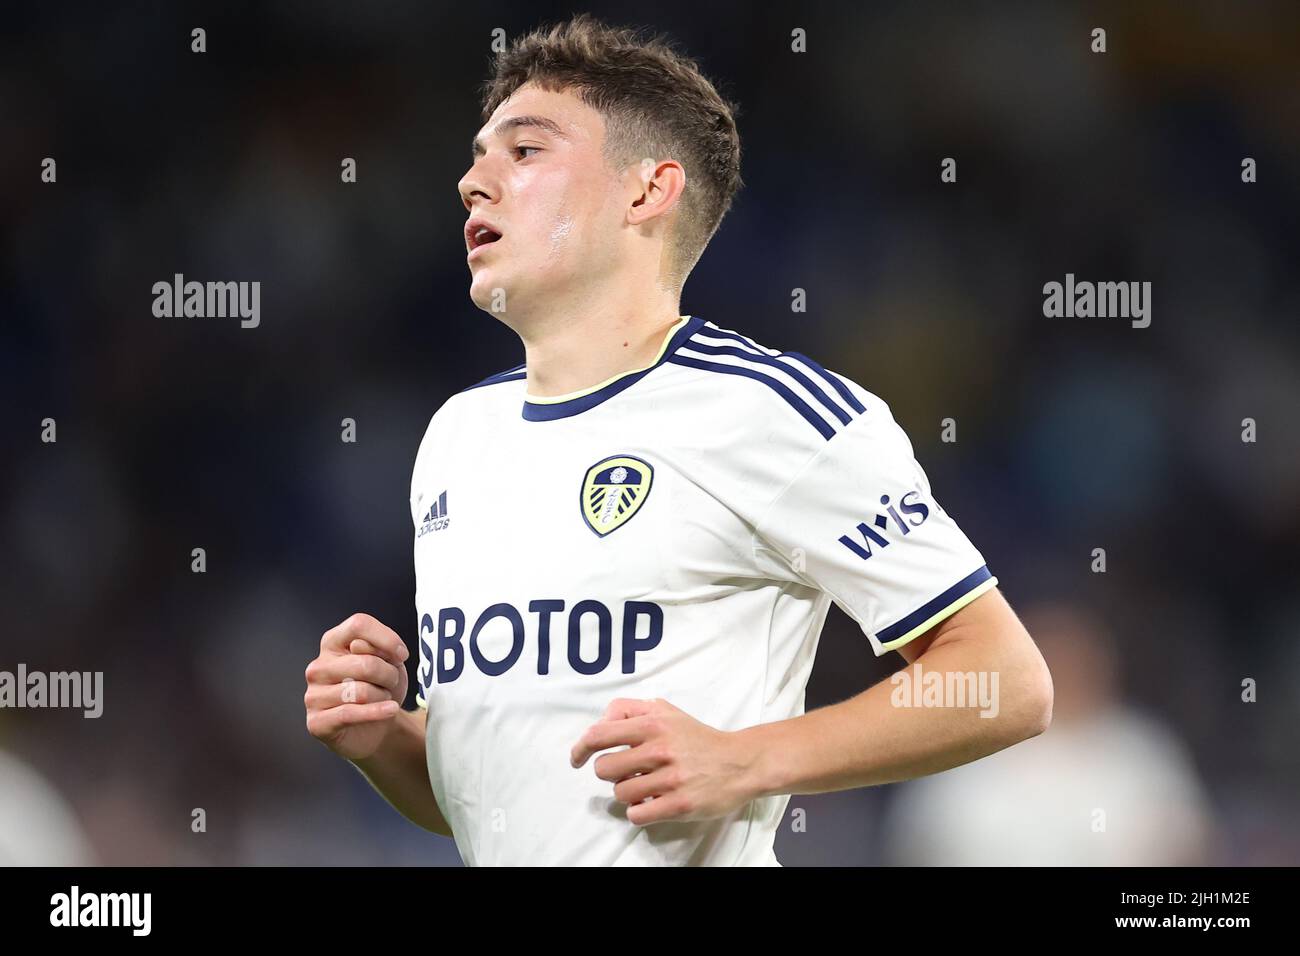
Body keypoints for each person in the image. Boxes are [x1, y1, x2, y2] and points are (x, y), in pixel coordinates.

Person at [304, 13, 1052, 866]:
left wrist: (748, 760)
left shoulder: (767, 412)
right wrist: (383, 740)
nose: (474, 182)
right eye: (478, 157)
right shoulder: (456, 437)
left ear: (646, 192)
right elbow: (497, 803)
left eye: (525, 151)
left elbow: (1005, 681)